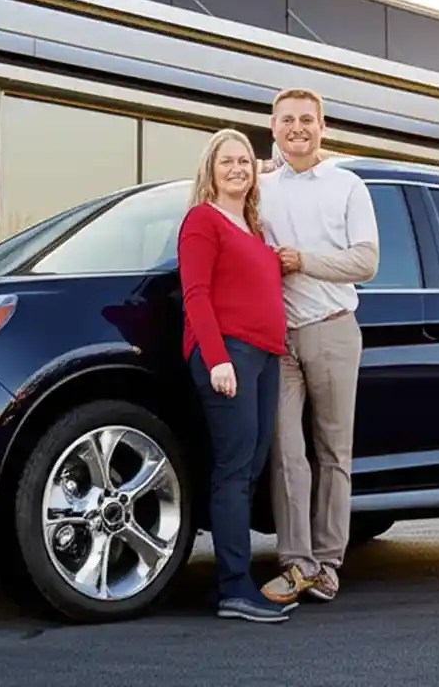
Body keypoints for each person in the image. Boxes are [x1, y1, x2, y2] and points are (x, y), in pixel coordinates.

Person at [257, 88, 379, 605]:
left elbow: (366, 262)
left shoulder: (348, 186)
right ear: (273, 127)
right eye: (287, 121)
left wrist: (301, 261)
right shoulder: (261, 188)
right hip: (276, 338)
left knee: (333, 453)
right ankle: (296, 564)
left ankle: (328, 565)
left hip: (332, 329)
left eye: (307, 120)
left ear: (322, 127)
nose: (297, 129)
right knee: (287, 454)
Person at [178, 128, 293, 623]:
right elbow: (196, 294)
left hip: (266, 356)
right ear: (210, 169)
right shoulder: (202, 221)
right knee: (233, 468)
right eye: (226, 161)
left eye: (245, 161)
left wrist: (273, 166)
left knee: (248, 467)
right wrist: (217, 357)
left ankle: (230, 578)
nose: (237, 169)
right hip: (230, 355)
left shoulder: (253, 229)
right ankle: (234, 588)